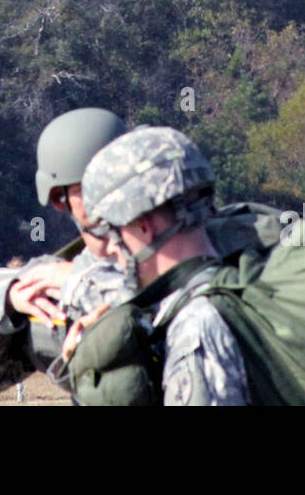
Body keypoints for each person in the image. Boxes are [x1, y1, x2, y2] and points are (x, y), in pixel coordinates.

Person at [0, 108, 135, 395]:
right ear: (60, 200)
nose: (107, 194)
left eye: (115, 181)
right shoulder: (49, 281)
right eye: (90, 186)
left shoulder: (174, 251)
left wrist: (79, 280)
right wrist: (8, 304)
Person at [74, 126, 251, 405]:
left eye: (114, 234)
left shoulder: (197, 326)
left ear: (143, 228)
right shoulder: (244, 287)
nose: (111, 249)